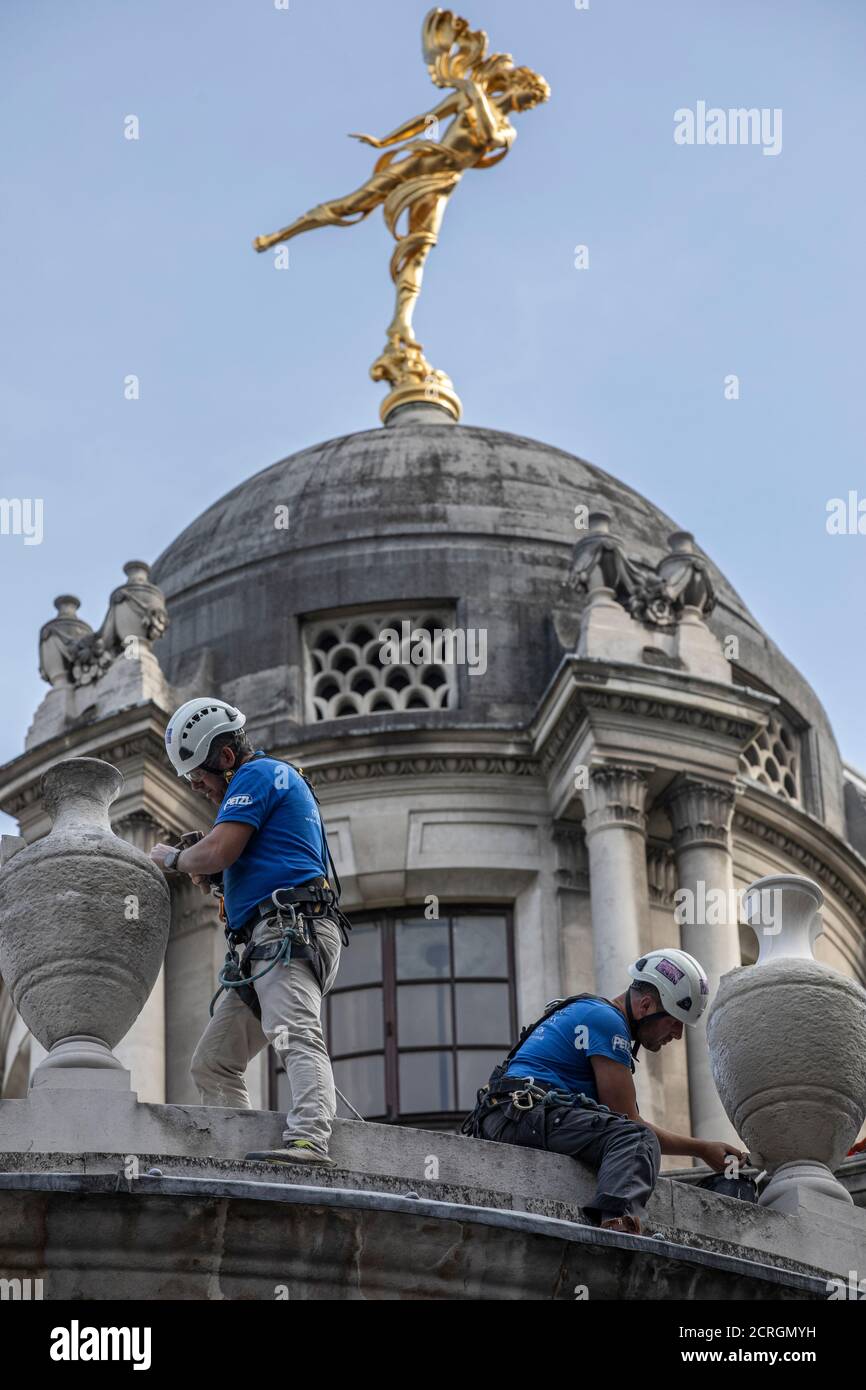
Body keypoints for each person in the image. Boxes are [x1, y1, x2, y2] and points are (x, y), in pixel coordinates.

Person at [150, 698, 349, 1166]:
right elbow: (236, 860)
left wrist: (175, 860)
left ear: (225, 756)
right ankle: (236, 1157)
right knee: (214, 1062)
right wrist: (216, 874)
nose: (196, 785)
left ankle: (310, 1138)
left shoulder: (257, 775)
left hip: (288, 933)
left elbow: (219, 851)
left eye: (198, 773)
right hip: (268, 940)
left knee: (294, 1032)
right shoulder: (263, 784)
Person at [463, 949, 748, 1233]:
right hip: (522, 1116)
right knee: (637, 1140)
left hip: (510, 1114)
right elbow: (630, 1124)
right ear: (645, 1006)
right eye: (674, 1021)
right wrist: (702, 1148)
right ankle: (617, 1225)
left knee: (631, 1137)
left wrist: (702, 1148)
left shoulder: (591, 1013)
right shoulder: (607, 1021)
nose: (677, 1034)